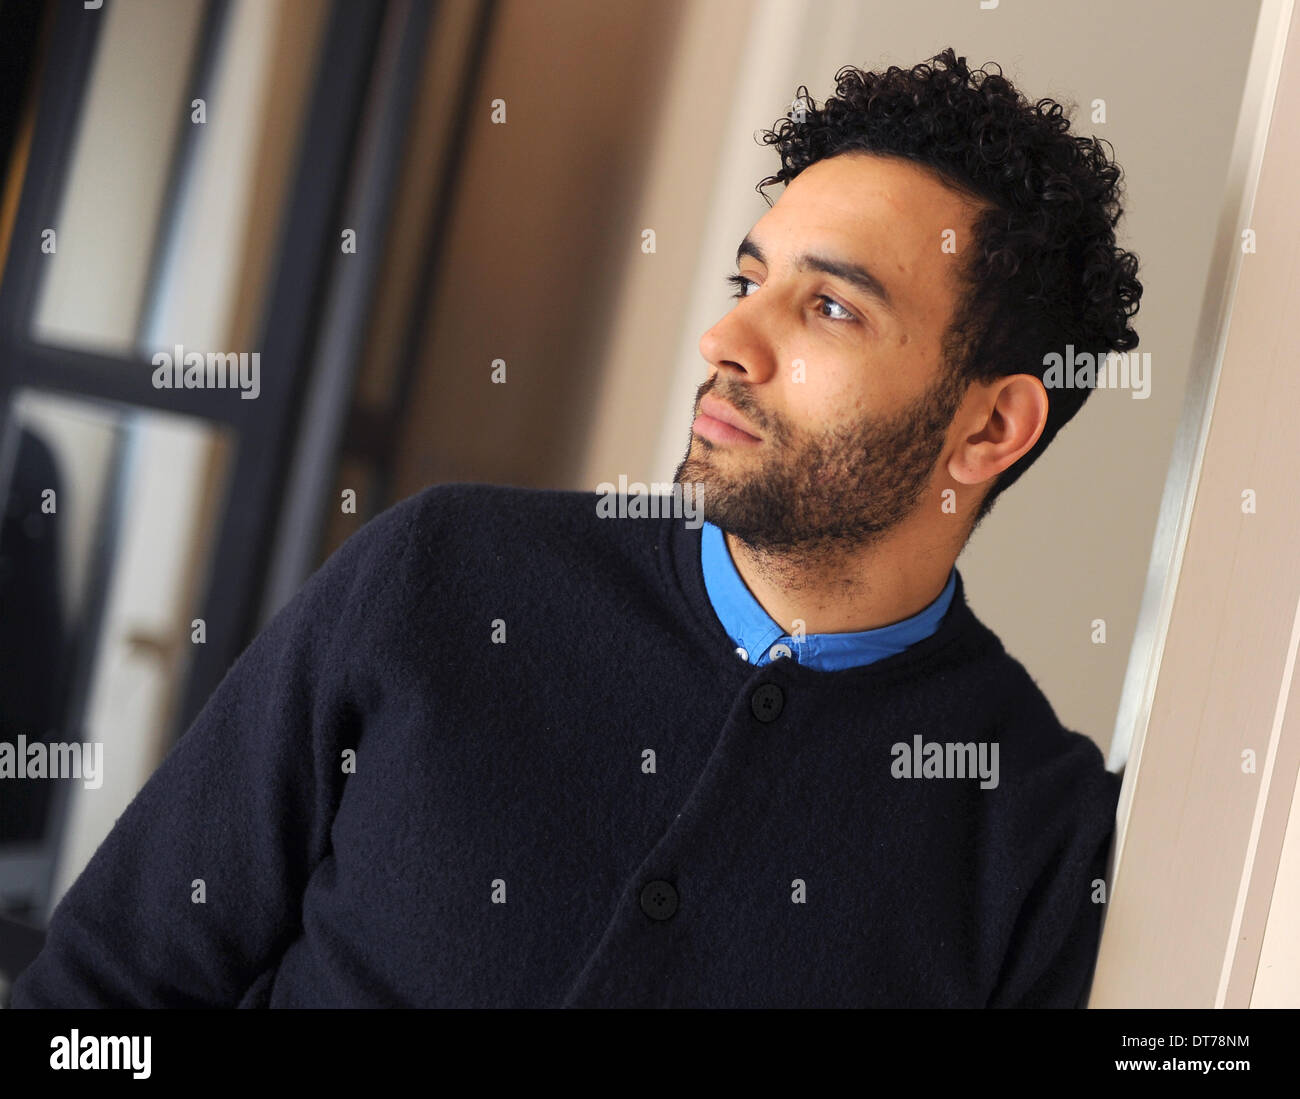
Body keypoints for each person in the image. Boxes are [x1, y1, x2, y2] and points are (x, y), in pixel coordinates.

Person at [11, 47, 1140, 1008]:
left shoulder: (1036, 834)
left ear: (991, 426)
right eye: (748, 277)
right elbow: (102, 993)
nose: (727, 339)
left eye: (830, 308)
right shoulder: (444, 575)